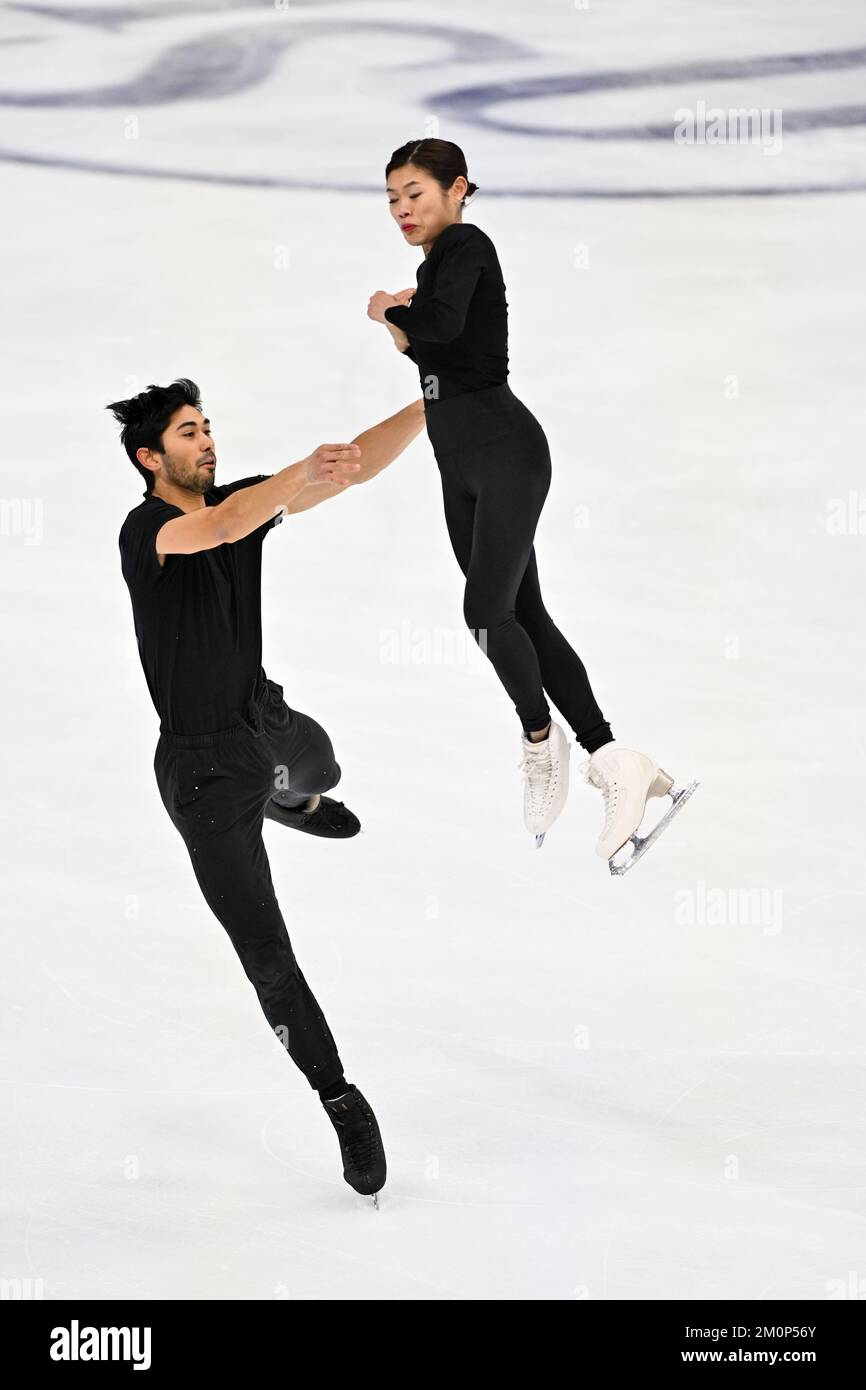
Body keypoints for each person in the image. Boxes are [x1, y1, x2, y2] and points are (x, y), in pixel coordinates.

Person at [112, 377, 425, 1199]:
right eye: (187, 432)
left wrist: (433, 403)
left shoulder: (246, 506)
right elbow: (213, 525)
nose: (206, 441)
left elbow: (351, 468)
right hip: (205, 778)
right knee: (268, 959)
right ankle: (342, 1101)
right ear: (151, 457)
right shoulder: (147, 530)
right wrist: (292, 477)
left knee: (322, 768)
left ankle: (292, 799)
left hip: (264, 725)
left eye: (208, 426)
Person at [367, 139, 696, 871]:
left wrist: (391, 310)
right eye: (392, 198)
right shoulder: (440, 266)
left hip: (507, 454)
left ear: (456, 189)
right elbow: (436, 347)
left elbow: (440, 329)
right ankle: (616, 758)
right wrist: (403, 319)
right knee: (524, 617)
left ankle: (542, 740)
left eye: (415, 193)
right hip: (460, 466)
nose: (402, 209)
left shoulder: (466, 246)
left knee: (485, 615)